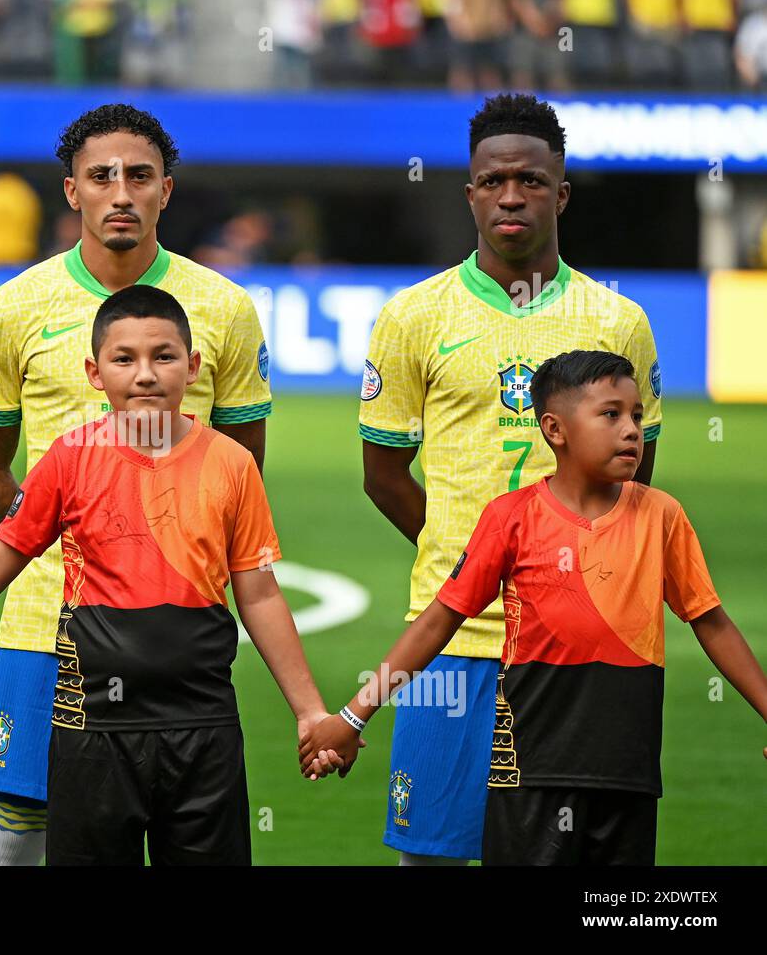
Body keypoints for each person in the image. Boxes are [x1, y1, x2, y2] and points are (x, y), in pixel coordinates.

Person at [0, 286, 332, 864]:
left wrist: (310, 712)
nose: (146, 374)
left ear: (194, 366)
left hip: (204, 726)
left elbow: (258, 593)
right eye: (124, 359)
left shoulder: (231, 463)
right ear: (94, 372)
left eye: (165, 356)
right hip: (92, 727)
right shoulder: (69, 457)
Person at [303, 350, 767, 865]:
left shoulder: (662, 516)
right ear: (555, 429)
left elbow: (712, 622)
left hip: (628, 775)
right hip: (530, 774)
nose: (632, 430)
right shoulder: (512, 518)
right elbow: (439, 621)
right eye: (610, 414)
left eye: (637, 415)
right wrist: (352, 716)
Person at [0, 103, 273, 866]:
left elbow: (241, 469)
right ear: (72, 192)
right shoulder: (14, 308)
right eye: (101, 177)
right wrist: (61, 553)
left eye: (139, 176)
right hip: (46, 619)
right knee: (21, 818)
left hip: (171, 631)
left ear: (167, 189)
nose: (121, 192)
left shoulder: (224, 310)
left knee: (175, 826)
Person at [358, 93, 663, 865]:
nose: (511, 196)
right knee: (429, 853)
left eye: (530, 181)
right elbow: (385, 475)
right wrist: (475, 564)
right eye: (493, 182)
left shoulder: (617, 320)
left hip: (576, 643)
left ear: (560, 193)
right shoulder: (411, 317)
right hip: (449, 636)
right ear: (470, 193)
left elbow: (633, 480)